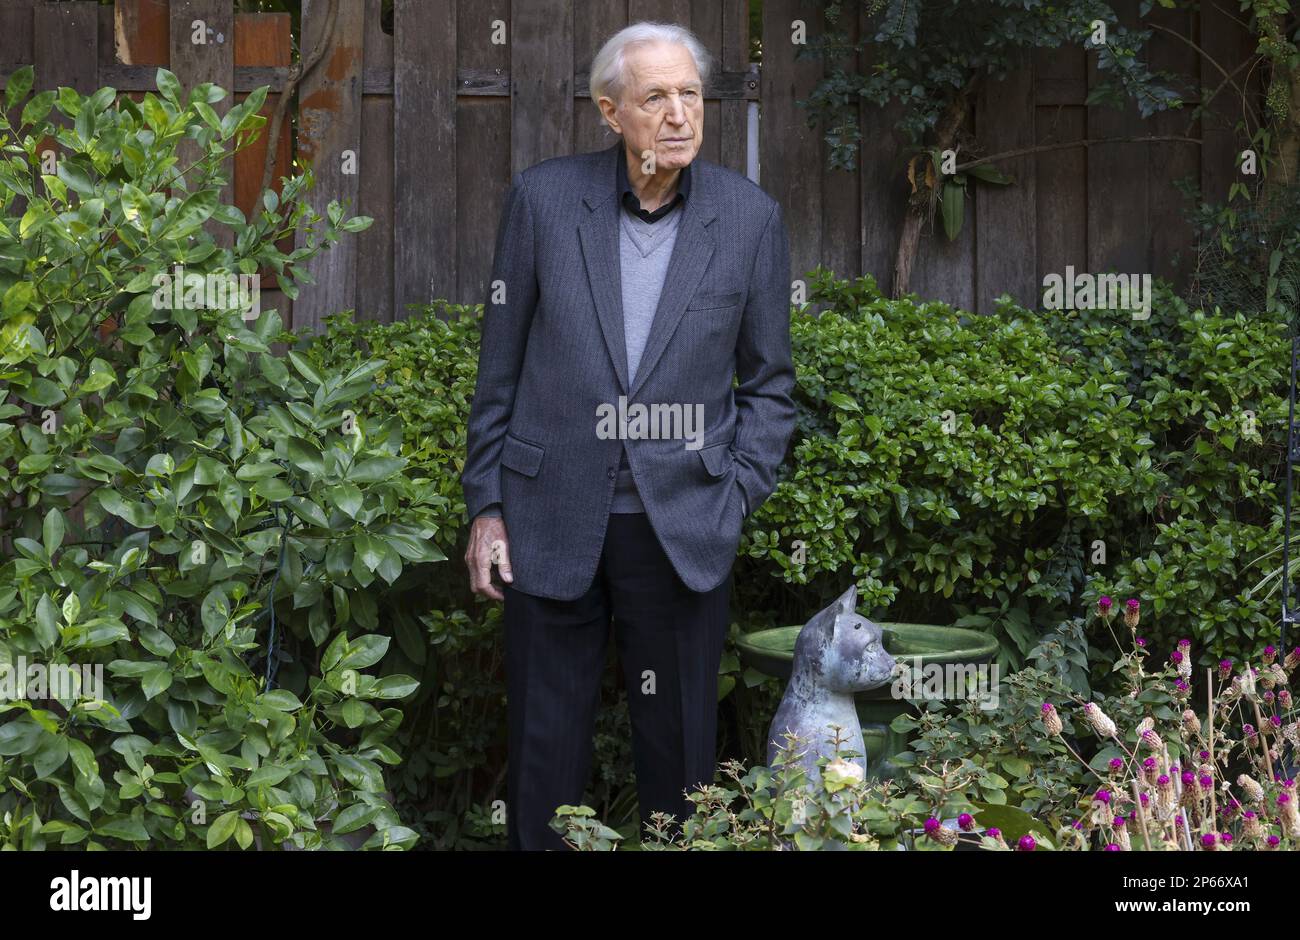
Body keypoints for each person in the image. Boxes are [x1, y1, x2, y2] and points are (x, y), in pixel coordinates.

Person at [461, 20, 795, 850]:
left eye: (690, 94)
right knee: (544, 761)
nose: (679, 114)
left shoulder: (749, 219)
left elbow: (771, 387)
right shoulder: (542, 201)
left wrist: (734, 495)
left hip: (682, 527)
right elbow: (496, 373)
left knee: (680, 770)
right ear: (611, 112)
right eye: (656, 98)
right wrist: (487, 507)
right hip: (547, 521)